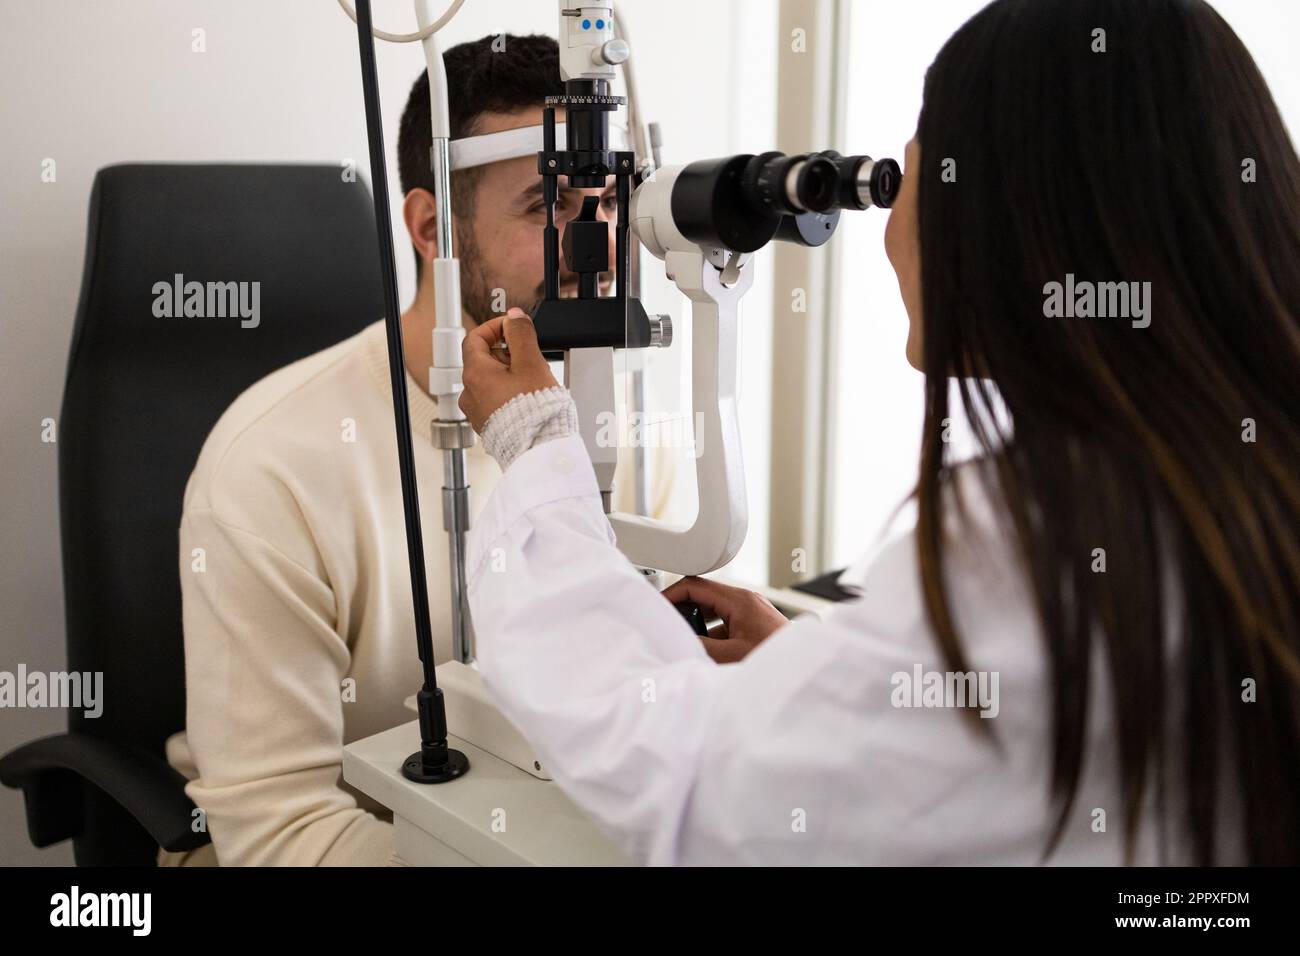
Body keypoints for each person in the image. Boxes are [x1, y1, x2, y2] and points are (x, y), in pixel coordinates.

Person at [457, 0, 1300, 865]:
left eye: (911, 180)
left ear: (1014, 223)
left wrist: (532, 443)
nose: (894, 227)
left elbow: (695, 788)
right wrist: (835, 679)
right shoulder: (1227, 472)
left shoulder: (1041, 545)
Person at [161, 34, 673, 866]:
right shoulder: (272, 465)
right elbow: (278, 828)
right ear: (433, 226)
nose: (597, 250)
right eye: (549, 209)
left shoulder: (624, 413)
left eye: (607, 205)